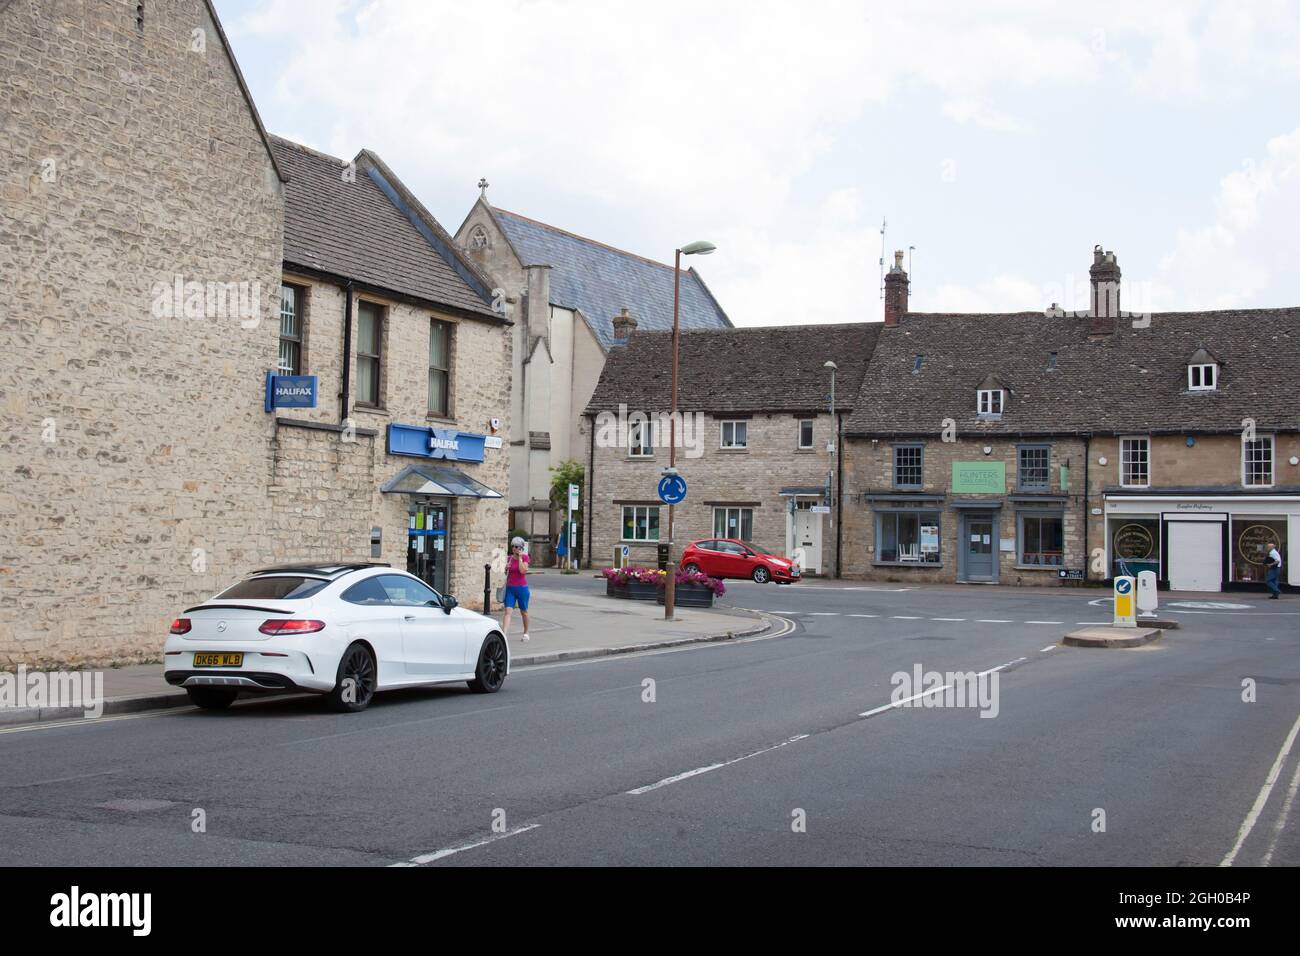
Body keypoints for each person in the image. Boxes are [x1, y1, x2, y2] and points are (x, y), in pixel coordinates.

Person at [502, 537, 531, 641]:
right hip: (510, 589)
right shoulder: (508, 558)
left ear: (521, 547)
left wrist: (519, 558)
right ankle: (504, 634)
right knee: (507, 611)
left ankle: (526, 632)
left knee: (524, 611)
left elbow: (523, 571)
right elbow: (507, 573)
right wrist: (506, 568)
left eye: (517, 546)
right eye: (513, 546)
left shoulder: (525, 558)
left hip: (522, 589)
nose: (514, 548)